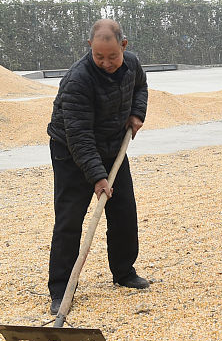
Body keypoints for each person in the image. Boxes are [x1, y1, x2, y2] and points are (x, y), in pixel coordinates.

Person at [46, 19, 150, 316]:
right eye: (99, 56)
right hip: (71, 151)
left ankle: (124, 272)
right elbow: (79, 136)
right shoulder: (78, 80)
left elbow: (141, 88)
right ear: (89, 46)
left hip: (113, 145)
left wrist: (137, 113)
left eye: (112, 56)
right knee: (69, 219)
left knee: (123, 211)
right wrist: (97, 177)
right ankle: (62, 289)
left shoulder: (132, 64)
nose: (106, 63)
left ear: (124, 46)